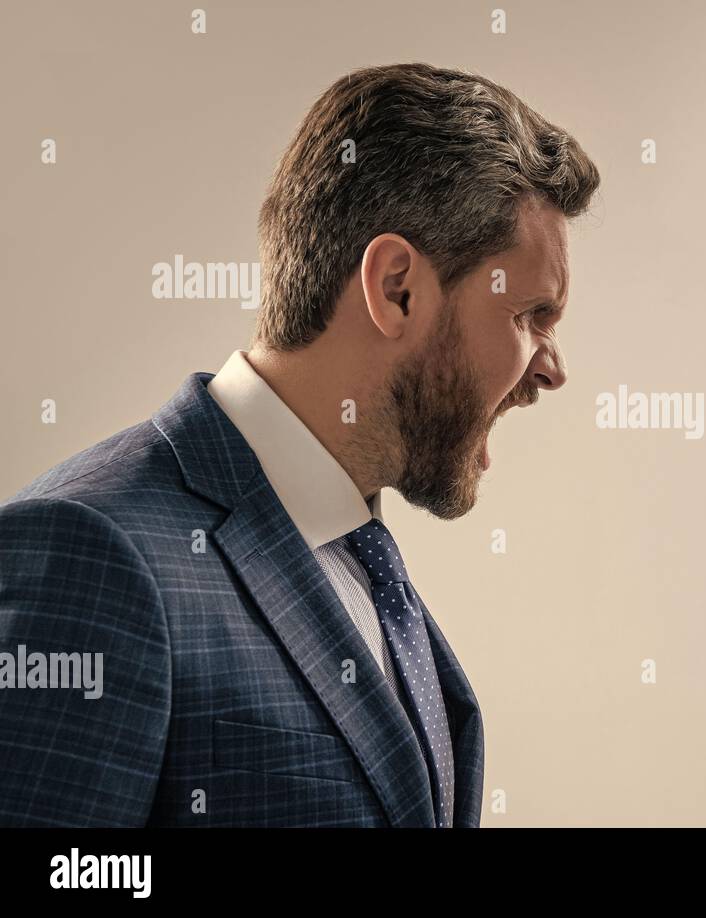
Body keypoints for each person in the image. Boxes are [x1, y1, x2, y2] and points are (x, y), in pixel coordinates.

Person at [0, 63, 601, 827]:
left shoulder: (362, 558)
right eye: (530, 316)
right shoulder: (89, 552)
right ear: (396, 288)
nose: (552, 370)